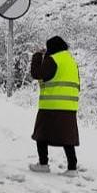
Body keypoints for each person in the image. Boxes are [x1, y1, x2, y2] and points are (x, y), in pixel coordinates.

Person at [30, 35, 81, 174]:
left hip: (51, 104)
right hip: (69, 106)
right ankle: (72, 167)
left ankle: (43, 163)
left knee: (41, 134)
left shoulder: (54, 59)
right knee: (67, 137)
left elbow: (37, 73)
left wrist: (37, 56)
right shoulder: (71, 61)